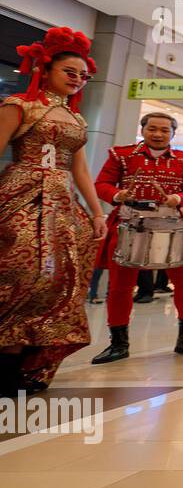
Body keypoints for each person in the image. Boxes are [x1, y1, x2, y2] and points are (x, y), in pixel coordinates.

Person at [0, 28, 105, 394]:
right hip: (21, 195)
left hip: (62, 204)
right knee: (21, 274)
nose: (77, 80)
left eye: (82, 75)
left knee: (58, 280)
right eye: (69, 72)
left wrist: (96, 212)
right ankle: (6, 360)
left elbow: (80, 170)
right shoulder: (19, 105)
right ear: (45, 70)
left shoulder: (76, 120)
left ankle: (26, 361)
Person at [89, 112, 183, 363]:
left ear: (172, 134)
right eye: (152, 129)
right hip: (130, 224)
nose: (158, 134)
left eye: (164, 130)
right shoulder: (121, 155)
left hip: (171, 225)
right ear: (142, 130)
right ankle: (118, 343)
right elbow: (101, 184)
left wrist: (178, 199)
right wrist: (118, 194)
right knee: (121, 285)